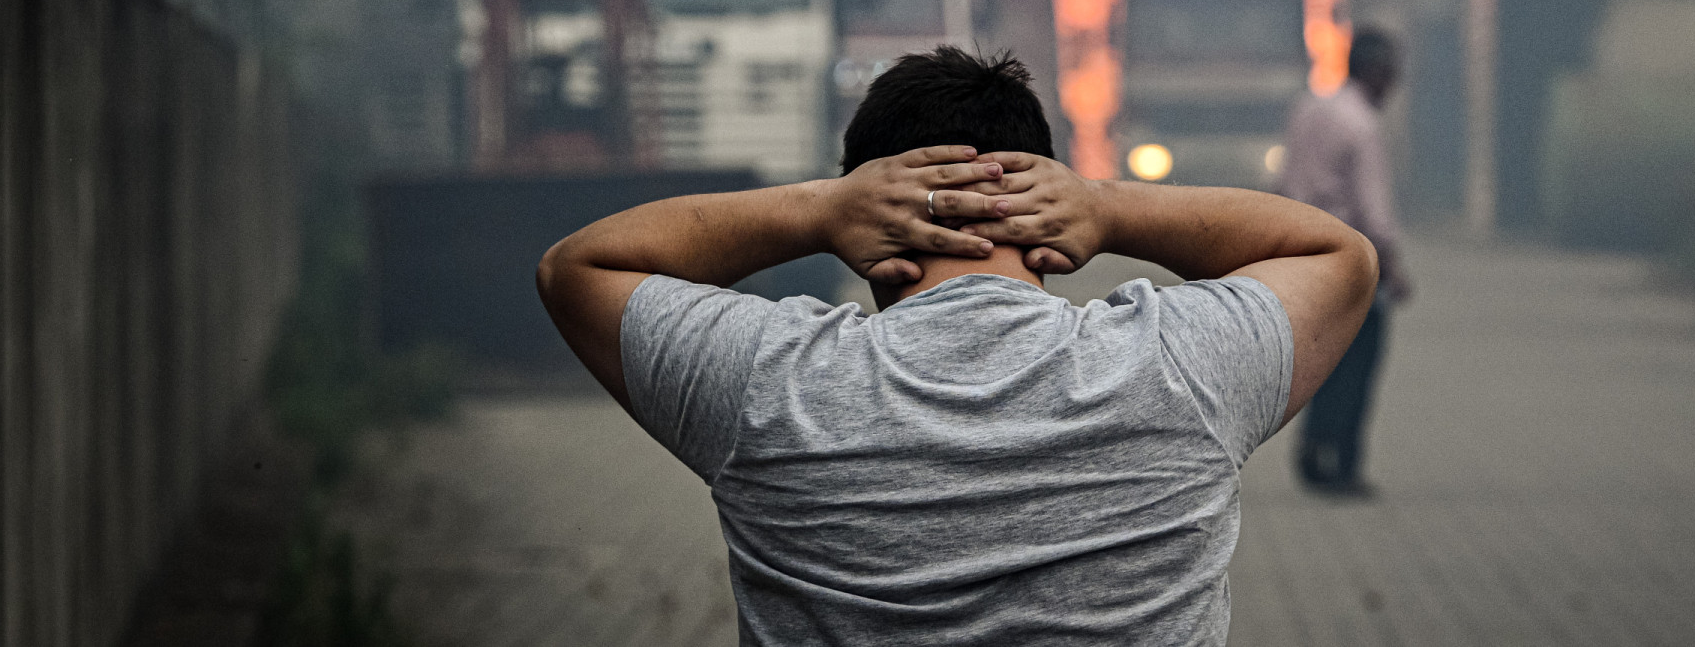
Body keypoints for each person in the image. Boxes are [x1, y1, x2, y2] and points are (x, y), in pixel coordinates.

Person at [537, 46, 1376, 645]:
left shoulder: (769, 381)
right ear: (1044, 202)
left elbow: (577, 267)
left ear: (868, 224)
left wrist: (819, 210)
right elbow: (1339, 255)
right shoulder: (1177, 364)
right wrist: (1111, 206)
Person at [1278, 25, 1411, 498]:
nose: (1394, 85)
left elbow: (1285, 181)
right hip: (1354, 261)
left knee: (1323, 358)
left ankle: (1313, 450)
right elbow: (1373, 211)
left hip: (1305, 253)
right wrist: (1392, 267)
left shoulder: (1308, 110)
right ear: (1374, 73)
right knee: (1359, 364)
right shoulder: (1362, 125)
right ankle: (1343, 464)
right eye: (1392, 74)